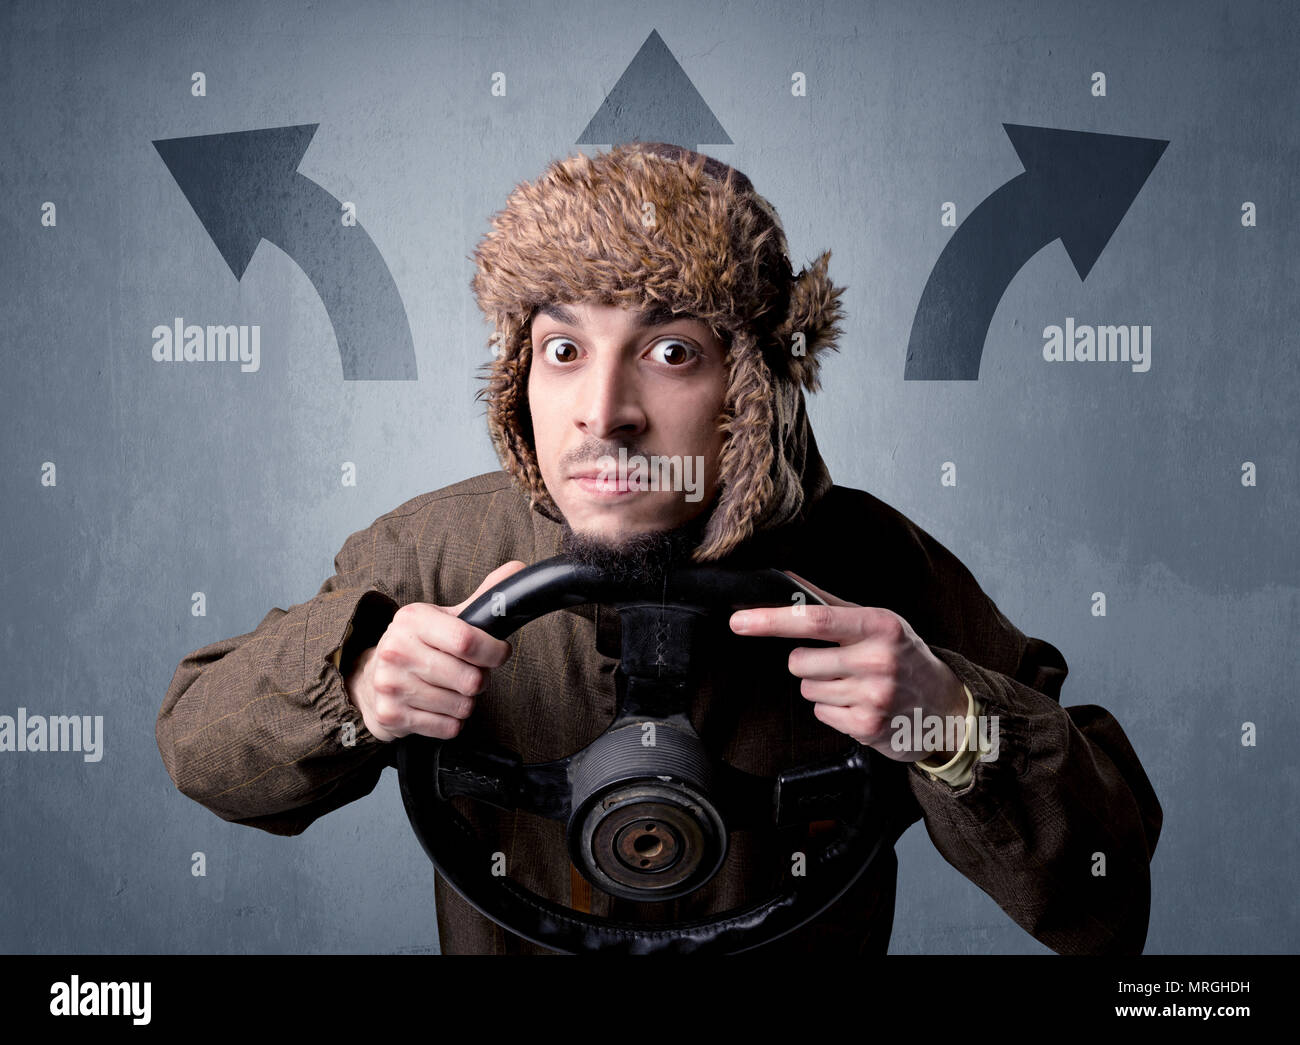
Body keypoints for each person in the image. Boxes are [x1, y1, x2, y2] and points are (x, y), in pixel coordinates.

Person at [156, 141, 1162, 955]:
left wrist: (952, 722)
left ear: (750, 386)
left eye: (671, 351)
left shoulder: (876, 567)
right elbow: (203, 751)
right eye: (563, 351)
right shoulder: (435, 550)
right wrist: (361, 687)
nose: (604, 413)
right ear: (519, 381)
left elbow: (1103, 894)